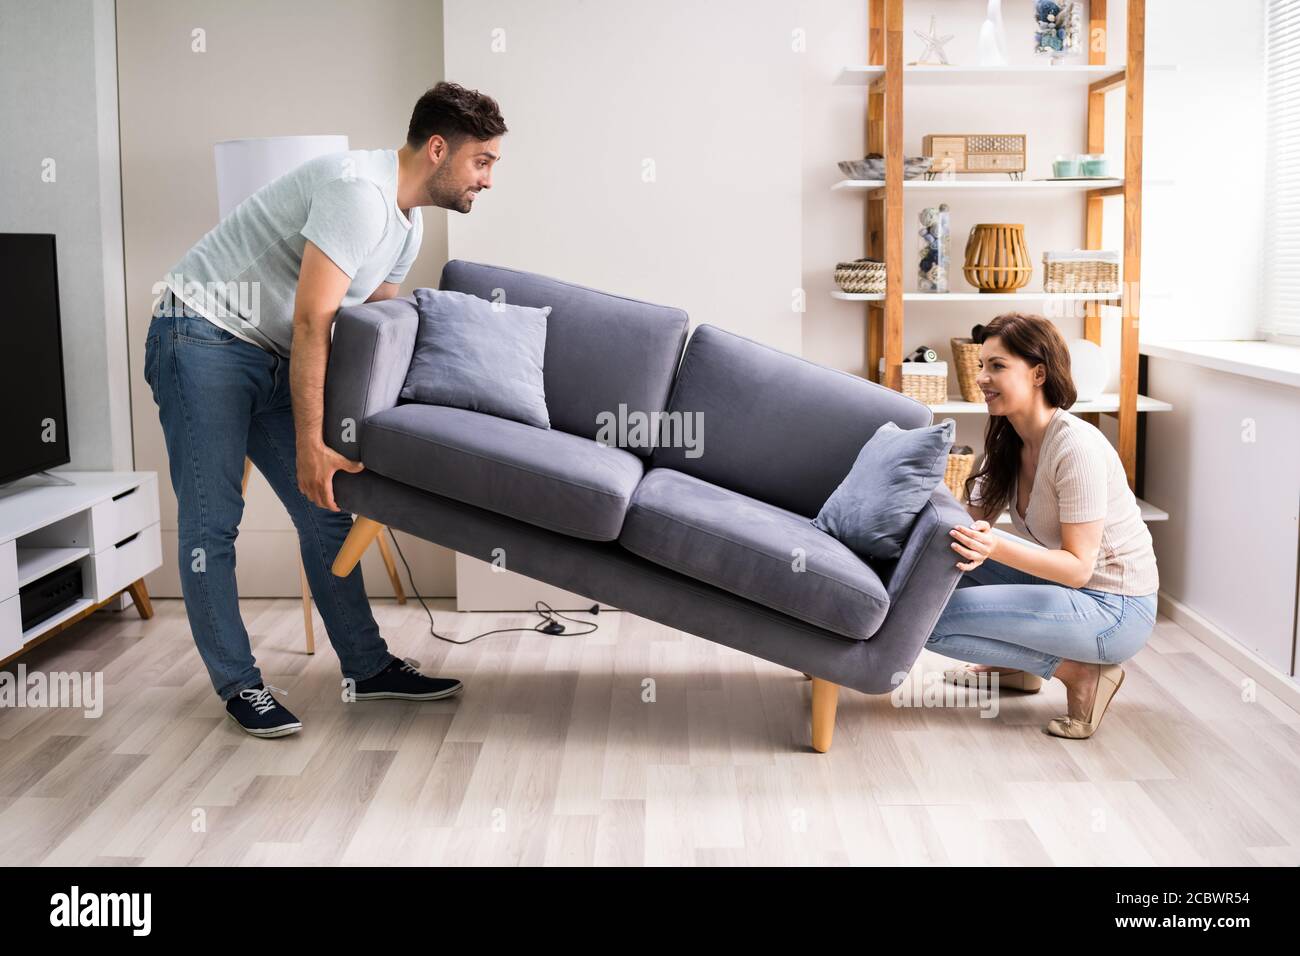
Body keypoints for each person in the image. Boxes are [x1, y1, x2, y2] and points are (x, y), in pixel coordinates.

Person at [143, 82, 506, 737]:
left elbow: (364, 337)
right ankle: (241, 686)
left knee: (327, 507)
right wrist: (312, 442)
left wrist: (367, 440)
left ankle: (367, 669)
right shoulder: (357, 194)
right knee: (212, 526)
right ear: (437, 148)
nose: (487, 179)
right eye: (482, 161)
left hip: (272, 353)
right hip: (199, 336)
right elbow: (315, 320)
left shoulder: (406, 223)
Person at [926, 312, 1160, 739]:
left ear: (1038, 373)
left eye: (997, 366)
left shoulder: (1076, 447)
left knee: (927, 621)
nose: (980, 377)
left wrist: (992, 545)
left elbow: (1077, 568)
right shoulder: (1007, 438)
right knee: (942, 568)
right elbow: (966, 528)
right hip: (1068, 592)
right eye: (981, 365)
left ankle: (1078, 673)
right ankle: (1016, 667)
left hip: (1114, 609)